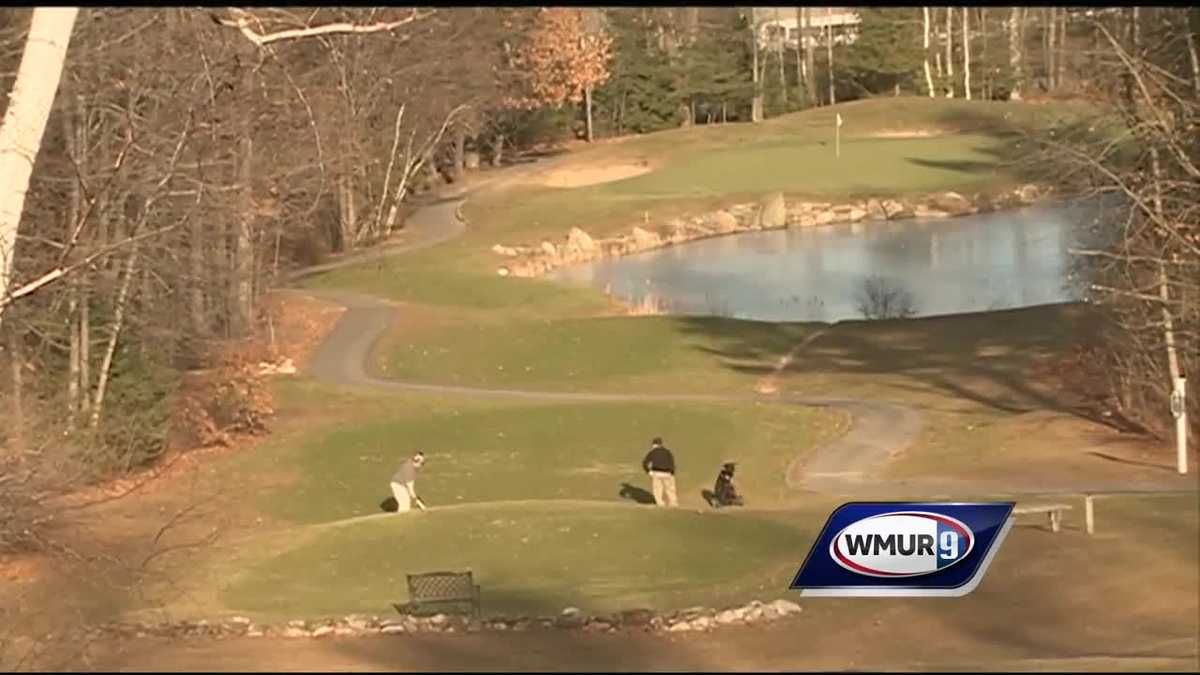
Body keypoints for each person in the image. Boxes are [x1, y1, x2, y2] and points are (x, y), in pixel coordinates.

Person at [641, 437, 677, 507]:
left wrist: (648, 471)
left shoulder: (652, 452)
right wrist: (672, 472)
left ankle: (660, 504)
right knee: (670, 489)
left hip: (656, 472)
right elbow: (672, 462)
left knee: (657, 490)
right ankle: (673, 504)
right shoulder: (667, 452)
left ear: (654, 444)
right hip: (667, 473)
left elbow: (645, 463)